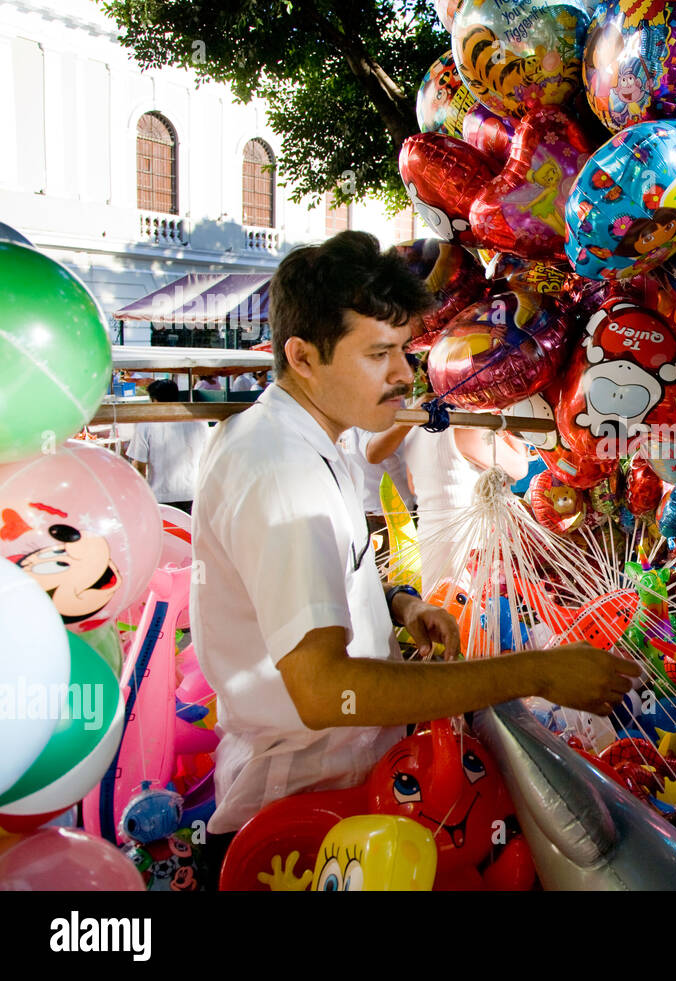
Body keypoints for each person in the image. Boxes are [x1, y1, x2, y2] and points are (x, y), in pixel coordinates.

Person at [190, 232, 639, 857]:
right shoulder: (279, 470)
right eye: (379, 354)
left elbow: (317, 581)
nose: (405, 375)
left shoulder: (320, 438)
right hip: (300, 820)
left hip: (346, 788)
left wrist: (399, 605)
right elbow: (323, 691)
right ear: (302, 356)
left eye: (403, 350)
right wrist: (536, 672)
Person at [365, 407, 531, 592]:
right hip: (468, 543)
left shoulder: (415, 430)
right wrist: (507, 422)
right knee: (471, 611)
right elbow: (519, 468)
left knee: (441, 609)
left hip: (430, 539)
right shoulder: (467, 424)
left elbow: (413, 486)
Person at [125, 379, 211, 514]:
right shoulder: (200, 422)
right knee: (190, 533)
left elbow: (139, 466)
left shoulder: (146, 425)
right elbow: (208, 458)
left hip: (161, 497)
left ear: (154, 401)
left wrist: (140, 496)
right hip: (193, 493)